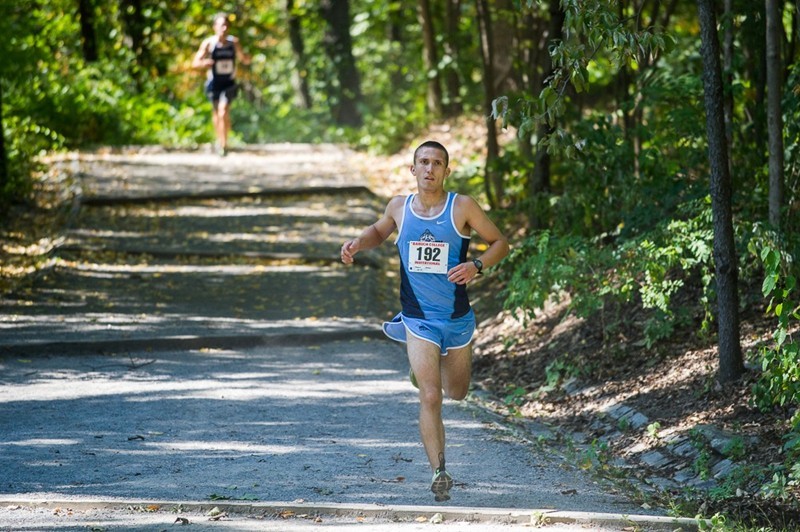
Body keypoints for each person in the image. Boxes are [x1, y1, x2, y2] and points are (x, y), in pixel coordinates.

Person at [341, 141, 509, 502]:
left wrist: (476, 265)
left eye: (437, 163)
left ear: (447, 171)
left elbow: (499, 243)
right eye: (423, 162)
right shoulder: (399, 207)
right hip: (418, 319)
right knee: (431, 396)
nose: (429, 169)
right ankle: (439, 471)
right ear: (412, 169)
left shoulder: (461, 207)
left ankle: (425, 370)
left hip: (457, 318)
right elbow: (379, 231)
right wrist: (358, 243)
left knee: (457, 392)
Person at [192, 12, 251, 156]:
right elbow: (195, 63)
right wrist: (204, 63)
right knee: (217, 113)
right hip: (214, 83)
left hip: (229, 82)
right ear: (214, 27)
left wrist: (247, 59)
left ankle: (224, 145)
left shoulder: (233, 43)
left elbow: (243, 58)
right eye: (221, 25)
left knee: (223, 110)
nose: (223, 28)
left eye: (226, 25)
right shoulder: (208, 43)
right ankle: (220, 140)